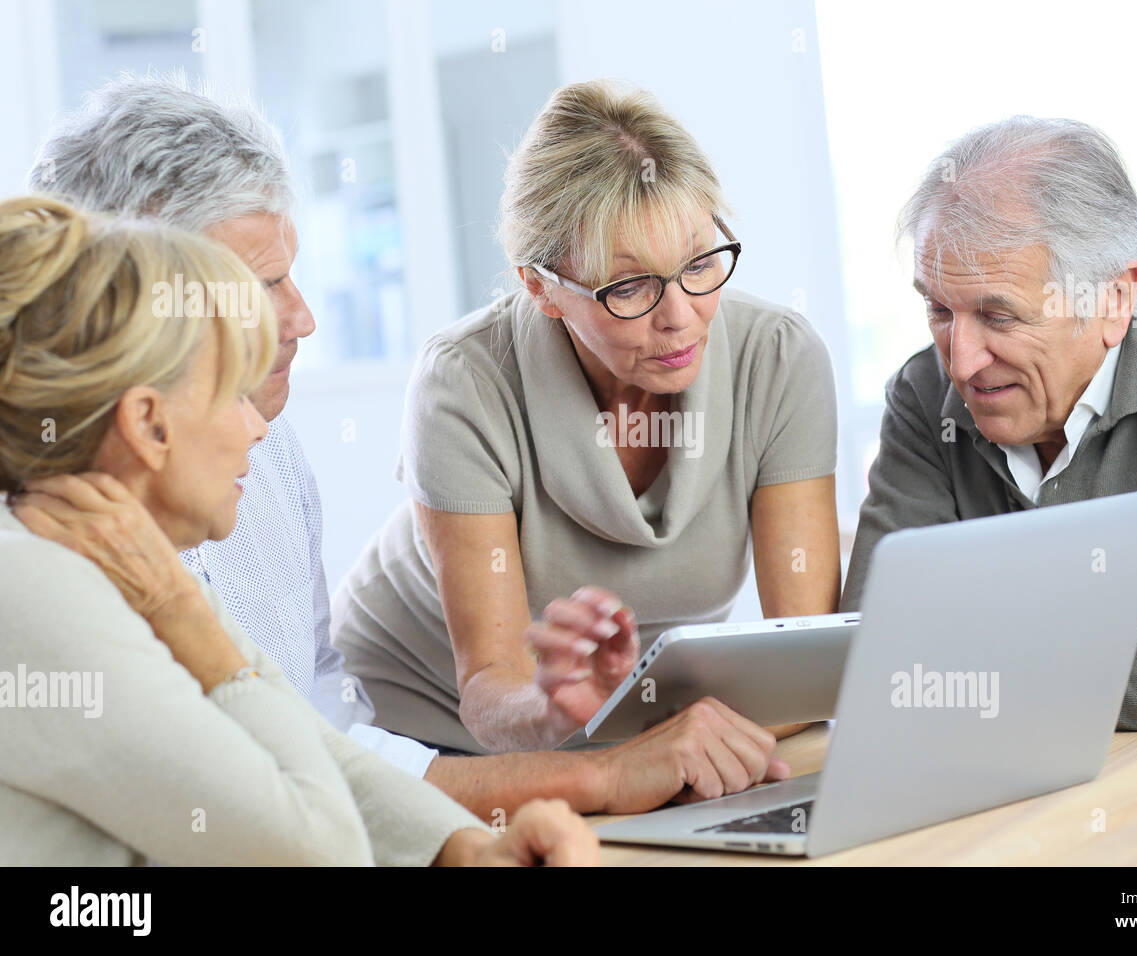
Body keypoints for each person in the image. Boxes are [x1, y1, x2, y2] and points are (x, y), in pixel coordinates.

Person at [30, 74, 806, 819]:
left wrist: (490, 827)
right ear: (129, 309)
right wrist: (593, 774)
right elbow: (241, 800)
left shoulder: (268, 456)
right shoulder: (39, 553)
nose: (302, 319)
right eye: (260, 288)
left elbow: (327, 738)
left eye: (700, 265)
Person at [0, 195, 594, 864]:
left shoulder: (127, 559)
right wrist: (187, 622)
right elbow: (318, 851)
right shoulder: (34, 583)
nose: (258, 427)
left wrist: (462, 851)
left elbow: (315, 749)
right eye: (234, 392)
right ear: (148, 424)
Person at [333, 79, 842, 764]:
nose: (681, 315)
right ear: (540, 286)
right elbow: (490, 688)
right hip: (420, 733)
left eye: (698, 263)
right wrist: (559, 712)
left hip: (631, 741)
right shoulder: (461, 384)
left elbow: (801, 662)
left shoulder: (778, 358)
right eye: (630, 286)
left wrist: (669, 742)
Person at [841, 116, 1137, 731]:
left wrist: (1015, 678)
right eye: (939, 309)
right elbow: (874, 650)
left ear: (1114, 299)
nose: (961, 361)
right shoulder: (924, 397)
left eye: (998, 316)